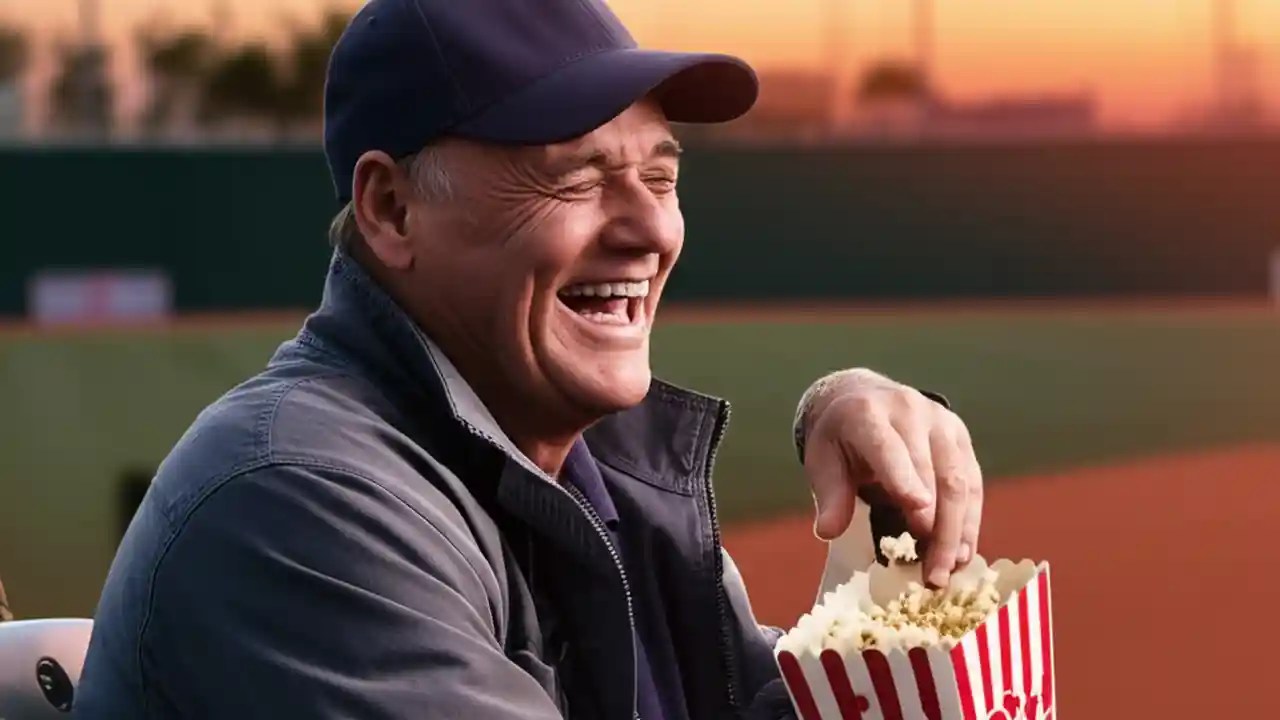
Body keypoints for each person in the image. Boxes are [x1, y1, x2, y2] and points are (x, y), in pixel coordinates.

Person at [75, 0, 984, 717]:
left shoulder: (595, 473)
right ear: (392, 210)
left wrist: (887, 517)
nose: (651, 229)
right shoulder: (299, 507)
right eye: (576, 176)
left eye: (661, 176)